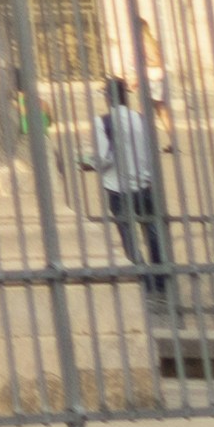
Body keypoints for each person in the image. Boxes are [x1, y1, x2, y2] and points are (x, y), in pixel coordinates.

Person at [83, 77, 171, 301]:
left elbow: (104, 158)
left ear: (108, 97)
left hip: (118, 187)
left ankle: (143, 282)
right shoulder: (141, 119)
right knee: (152, 233)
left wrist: (88, 162)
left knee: (129, 236)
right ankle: (161, 281)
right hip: (144, 184)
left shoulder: (102, 122)